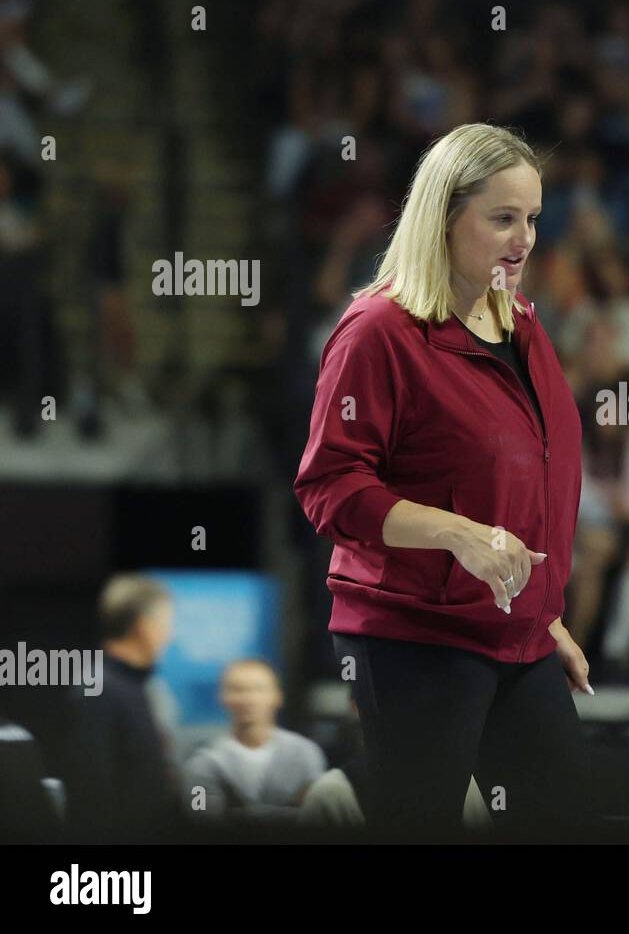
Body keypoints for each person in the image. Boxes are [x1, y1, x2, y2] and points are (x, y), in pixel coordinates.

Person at [294, 122, 594, 840]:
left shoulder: (520, 322)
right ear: (443, 215)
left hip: (518, 635)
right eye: (502, 218)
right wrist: (458, 535)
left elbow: (531, 486)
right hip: (415, 635)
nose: (523, 239)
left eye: (531, 219)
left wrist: (545, 614)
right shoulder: (378, 331)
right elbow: (329, 486)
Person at [63, 573, 179, 841]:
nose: (169, 635)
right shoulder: (100, 688)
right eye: (166, 623)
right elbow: (90, 790)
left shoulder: (136, 686)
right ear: (142, 625)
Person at [184, 659, 326, 825]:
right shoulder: (202, 763)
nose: (247, 698)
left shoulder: (306, 753)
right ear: (222, 697)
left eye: (258, 689)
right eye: (237, 689)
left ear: (277, 696)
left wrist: (237, 814)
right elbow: (201, 823)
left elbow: (317, 818)